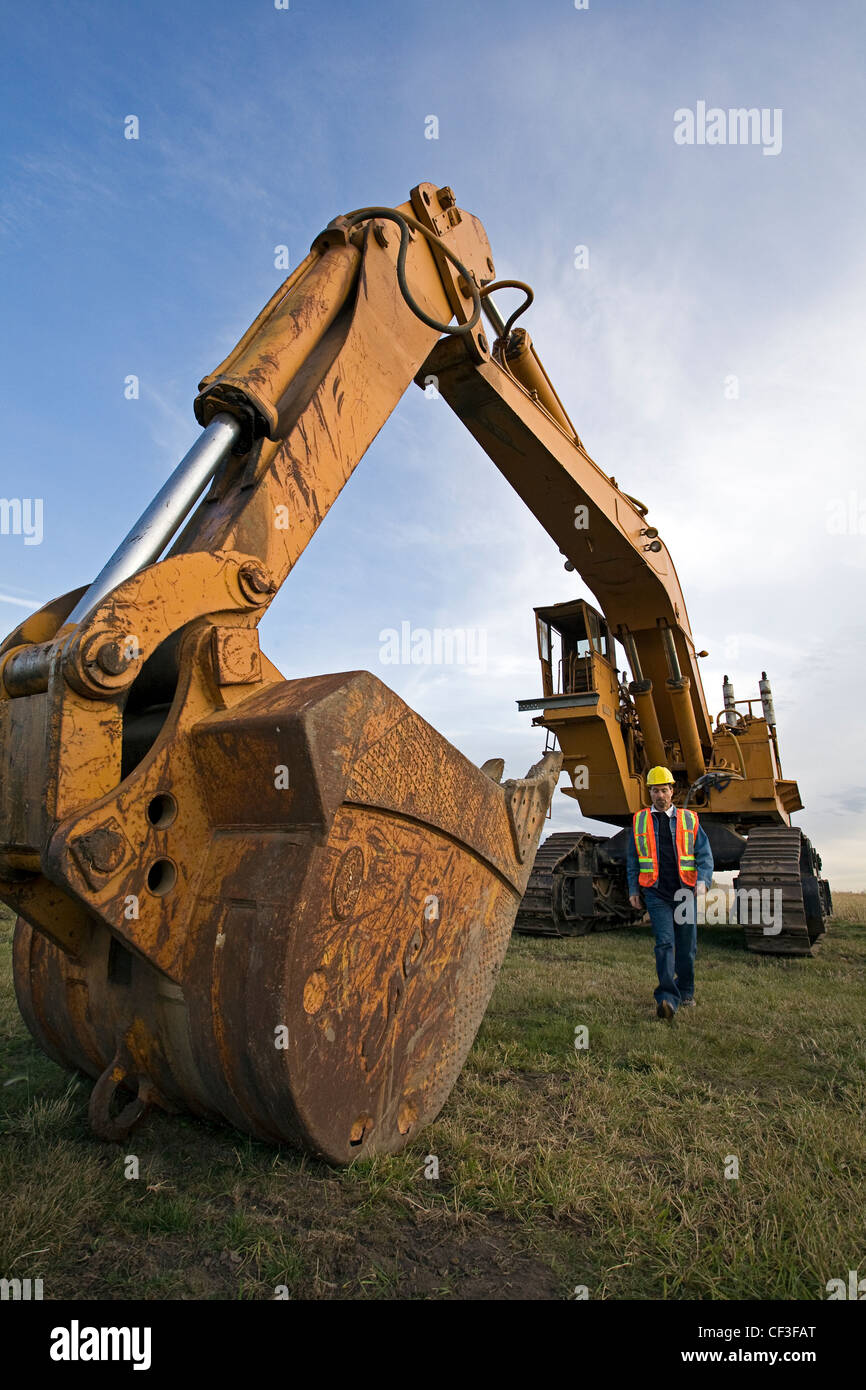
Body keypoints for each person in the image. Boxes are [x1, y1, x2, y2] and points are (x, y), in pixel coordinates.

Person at [626, 766, 714, 1020]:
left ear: (672, 791)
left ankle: (686, 991)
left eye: (664, 790)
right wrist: (634, 888)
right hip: (656, 892)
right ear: (649, 793)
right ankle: (666, 998)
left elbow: (704, 855)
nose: (660, 795)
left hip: (685, 891)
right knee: (665, 943)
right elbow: (633, 858)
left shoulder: (689, 820)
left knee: (686, 947)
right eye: (655, 791)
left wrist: (703, 880)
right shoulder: (639, 820)